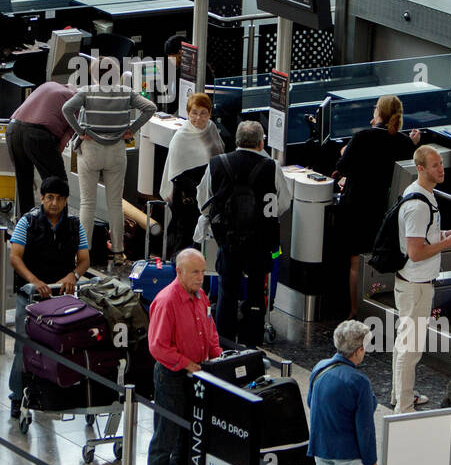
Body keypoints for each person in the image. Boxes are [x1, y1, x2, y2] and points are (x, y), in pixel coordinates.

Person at [196, 120, 292, 349]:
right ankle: (252, 343)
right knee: (257, 291)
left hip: (228, 241)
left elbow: (203, 200)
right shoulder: (271, 166)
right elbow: (284, 202)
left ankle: (224, 343)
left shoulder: (217, 163)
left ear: (236, 141)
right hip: (261, 241)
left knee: (227, 290)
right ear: (261, 143)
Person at [7, 176, 91, 418]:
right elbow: (15, 257)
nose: (54, 203)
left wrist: (73, 275)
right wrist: (34, 282)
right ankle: (17, 395)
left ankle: (52, 391)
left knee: (59, 345)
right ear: (42, 198)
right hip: (31, 296)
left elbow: (84, 259)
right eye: (49, 198)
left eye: (59, 198)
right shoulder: (28, 222)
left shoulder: (75, 225)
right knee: (24, 346)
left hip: (61, 297)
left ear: (66, 201)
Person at [333, 95, 421, 319]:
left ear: (378, 113)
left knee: (355, 260)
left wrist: (346, 151)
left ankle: (354, 310)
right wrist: (413, 144)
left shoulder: (362, 137)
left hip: (356, 207)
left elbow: (343, 166)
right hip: (383, 208)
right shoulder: (403, 143)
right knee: (375, 257)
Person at [146, 248, 222, 465]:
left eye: (202, 271)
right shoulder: (166, 301)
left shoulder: (201, 297)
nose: (201, 277)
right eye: (195, 272)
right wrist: (187, 364)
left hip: (197, 375)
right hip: (172, 376)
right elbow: (158, 347)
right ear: (179, 272)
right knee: (165, 439)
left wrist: (217, 357)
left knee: (188, 437)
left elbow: (210, 333)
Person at [392, 145, 451, 412]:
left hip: (415, 282)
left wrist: (443, 235)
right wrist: (447, 245)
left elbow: (422, 237)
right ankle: (403, 406)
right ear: (420, 169)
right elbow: (415, 251)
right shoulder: (418, 205)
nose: (441, 169)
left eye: (441, 164)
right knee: (410, 349)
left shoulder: (423, 196)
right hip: (416, 285)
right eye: (435, 165)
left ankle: (401, 395)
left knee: (405, 344)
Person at [62, 68, 156, 267]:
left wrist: (80, 131)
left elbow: (66, 109)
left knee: (88, 203)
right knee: (115, 204)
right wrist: (132, 129)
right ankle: (117, 252)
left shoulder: (87, 91)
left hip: (90, 150)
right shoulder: (125, 92)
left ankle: (83, 253)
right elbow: (150, 108)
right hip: (116, 151)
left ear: (95, 75)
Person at [307, 320, 378, 465]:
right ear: (357, 351)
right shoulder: (359, 382)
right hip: (348, 453)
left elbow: (310, 403)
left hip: (320, 446)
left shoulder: (319, 368)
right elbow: (365, 427)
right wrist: (370, 459)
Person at [159, 92, 225, 257]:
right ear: (188, 113)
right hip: (187, 196)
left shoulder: (211, 130)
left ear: (210, 113)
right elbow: (176, 174)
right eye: (194, 113)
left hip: (208, 193)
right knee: (185, 237)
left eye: (203, 113)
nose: (198, 118)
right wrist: (198, 190)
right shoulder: (181, 137)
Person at [7, 81, 75, 217]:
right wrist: (54, 155)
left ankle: (25, 227)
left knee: (23, 181)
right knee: (57, 183)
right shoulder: (76, 100)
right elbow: (66, 138)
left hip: (13, 129)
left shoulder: (48, 85)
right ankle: (58, 227)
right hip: (38, 134)